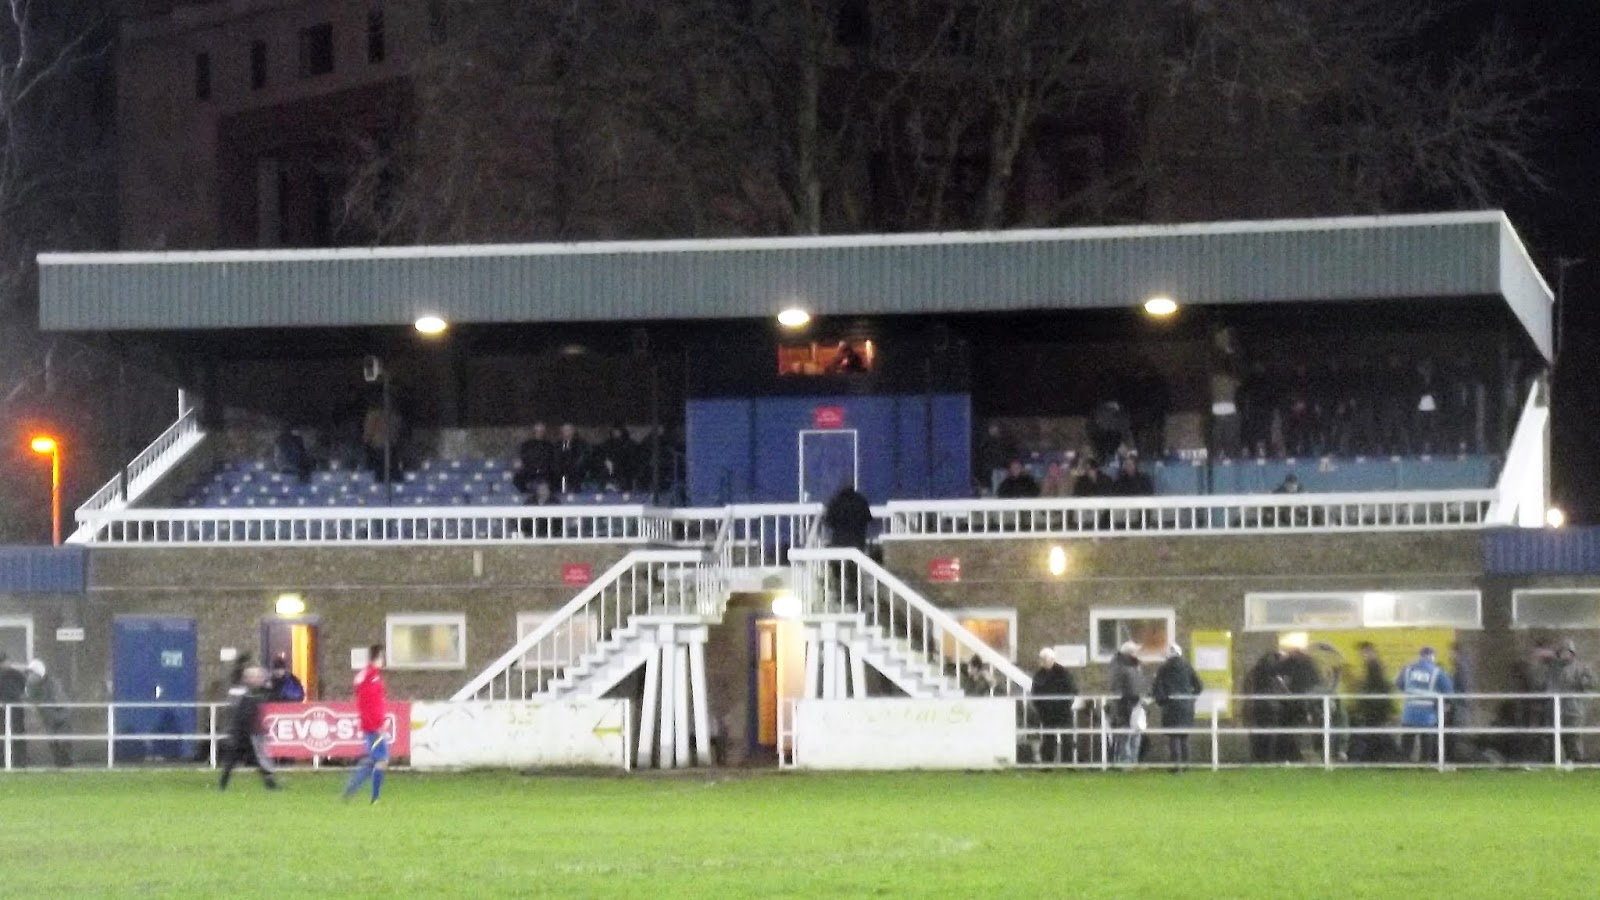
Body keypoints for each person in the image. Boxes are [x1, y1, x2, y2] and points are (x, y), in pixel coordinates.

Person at [218, 666, 280, 791]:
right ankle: (222, 785)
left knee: (258, 759)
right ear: (247, 678)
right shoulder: (241, 692)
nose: (257, 679)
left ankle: (270, 784)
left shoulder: (260, 692)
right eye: (254, 677)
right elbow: (234, 711)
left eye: (259, 677)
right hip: (241, 732)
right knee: (236, 759)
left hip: (252, 732)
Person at [343, 644, 389, 804]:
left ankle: (351, 788)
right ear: (378, 657)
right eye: (383, 656)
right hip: (373, 726)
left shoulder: (371, 675)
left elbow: (374, 701)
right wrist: (378, 724)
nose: (384, 660)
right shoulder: (370, 676)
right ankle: (375, 798)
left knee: (373, 761)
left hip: (373, 724)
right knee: (381, 760)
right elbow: (368, 704)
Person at [1395, 646, 1454, 763]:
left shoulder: (1408, 669)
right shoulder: (1437, 671)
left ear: (1420, 656)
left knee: (1407, 741)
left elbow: (1398, 683)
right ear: (1432, 656)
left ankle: (1404, 764)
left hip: (1409, 712)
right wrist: (1446, 703)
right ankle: (1425, 764)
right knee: (1426, 741)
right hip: (1427, 713)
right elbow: (1448, 691)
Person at [1152, 644, 1204, 767]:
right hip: (1186, 705)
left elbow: (1157, 687)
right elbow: (1199, 686)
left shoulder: (1164, 668)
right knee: (1184, 735)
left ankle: (1176, 764)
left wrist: (1162, 700)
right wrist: (1191, 698)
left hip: (1171, 705)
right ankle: (1186, 764)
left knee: (1174, 735)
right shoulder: (1187, 666)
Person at [1547, 638, 1596, 763]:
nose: (1565, 655)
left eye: (1568, 652)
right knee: (1558, 736)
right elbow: (1549, 685)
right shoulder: (1554, 669)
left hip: (1574, 709)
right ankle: (1560, 761)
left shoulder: (1582, 668)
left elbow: (1594, 683)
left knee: (1573, 736)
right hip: (1558, 709)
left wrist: (1582, 683)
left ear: (1572, 653)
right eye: (1562, 652)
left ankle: (1577, 761)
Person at [1349, 642, 1395, 763]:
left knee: (1375, 732)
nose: (1362, 655)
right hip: (1376, 706)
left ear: (1370, 652)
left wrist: (1363, 692)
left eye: (1363, 652)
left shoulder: (1374, 666)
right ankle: (1376, 757)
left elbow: (1378, 686)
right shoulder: (1374, 665)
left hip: (1375, 706)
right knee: (1376, 732)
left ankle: (1381, 757)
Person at [1032, 648, 1079, 763]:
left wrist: (1065, 704)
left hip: (1063, 711)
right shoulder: (1039, 675)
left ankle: (1068, 763)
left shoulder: (1063, 673)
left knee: (1067, 738)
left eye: (1045, 659)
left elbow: (1073, 690)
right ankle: (1047, 763)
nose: (1043, 662)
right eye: (1042, 660)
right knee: (1048, 739)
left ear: (1052, 659)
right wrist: (1041, 708)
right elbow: (1035, 693)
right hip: (1047, 713)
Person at [23, 660, 72, 767]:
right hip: (49, 717)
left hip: (59, 716)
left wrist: (60, 713)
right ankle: (59, 764)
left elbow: (60, 700)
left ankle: (66, 765)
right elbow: (29, 698)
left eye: (32, 672)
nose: (30, 676)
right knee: (53, 742)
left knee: (63, 741)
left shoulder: (52, 683)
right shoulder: (32, 685)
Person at [1109, 641, 1146, 764]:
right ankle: (1125, 762)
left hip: (1136, 705)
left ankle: (1133, 761)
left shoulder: (1135, 667)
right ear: (1130, 653)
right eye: (1135, 651)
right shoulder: (1120, 667)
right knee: (1125, 735)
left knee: (1136, 735)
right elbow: (1116, 688)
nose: (1138, 654)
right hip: (1125, 706)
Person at [822, 482, 873, 552]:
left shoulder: (836, 501)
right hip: (858, 543)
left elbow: (828, 522)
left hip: (838, 543)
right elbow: (868, 519)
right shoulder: (861, 500)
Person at [513, 422, 556, 494]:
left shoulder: (549, 445)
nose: (539, 433)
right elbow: (523, 458)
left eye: (541, 431)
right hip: (530, 470)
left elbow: (552, 459)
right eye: (537, 431)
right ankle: (527, 494)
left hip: (545, 471)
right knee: (517, 479)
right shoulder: (526, 445)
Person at [0, 653, 27, 767]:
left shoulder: (17, 675)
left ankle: (20, 762)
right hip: (1, 710)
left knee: (18, 734)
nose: (7, 664)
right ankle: (2, 761)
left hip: (16, 709)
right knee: (2, 735)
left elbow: (24, 688)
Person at [594, 424, 639, 491]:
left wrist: (615, 464)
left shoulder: (629, 444)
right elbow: (603, 454)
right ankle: (604, 487)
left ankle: (622, 488)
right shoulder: (608, 443)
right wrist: (607, 461)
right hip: (610, 466)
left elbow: (631, 458)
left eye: (617, 431)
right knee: (604, 469)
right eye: (614, 431)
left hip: (625, 467)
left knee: (623, 472)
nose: (615, 433)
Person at [554, 423, 589, 492]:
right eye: (565, 430)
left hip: (576, 475)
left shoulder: (581, 444)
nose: (567, 433)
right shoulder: (556, 445)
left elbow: (582, 460)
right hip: (559, 476)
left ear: (573, 431)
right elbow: (555, 460)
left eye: (569, 430)